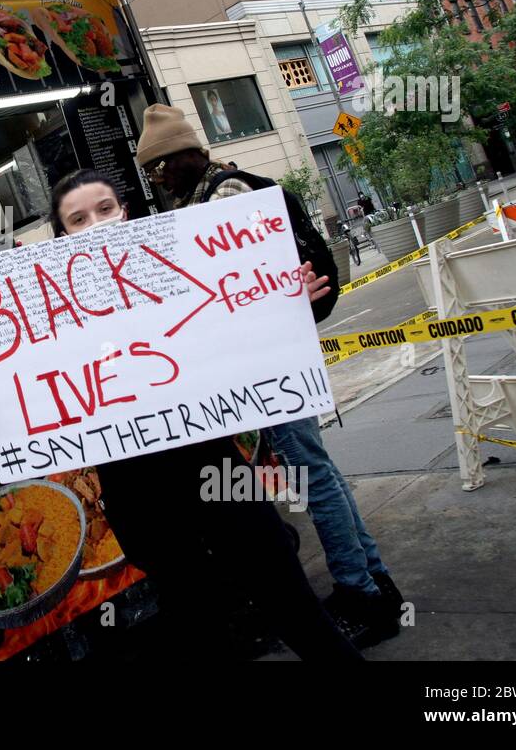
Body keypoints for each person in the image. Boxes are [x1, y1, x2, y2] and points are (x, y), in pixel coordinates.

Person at [0, 168, 359, 661]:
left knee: (292, 600)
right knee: (203, 625)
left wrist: (285, 308)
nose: (96, 224)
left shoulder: (180, 273)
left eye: (105, 209)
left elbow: (240, 333)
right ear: (62, 235)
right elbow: (39, 399)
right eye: (78, 219)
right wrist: (4, 408)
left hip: (217, 473)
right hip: (140, 499)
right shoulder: (50, 321)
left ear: (126, 213)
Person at [136, 103, 402, 647]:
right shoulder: (201, 197)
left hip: (271, 363)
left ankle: (363, 596)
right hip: (270, 360)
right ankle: (374, 582)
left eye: (161, 167)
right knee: (319, 473)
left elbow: (240, 289)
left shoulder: (223, 196)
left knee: (312, 476)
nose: (157, 179)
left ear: (187, 154)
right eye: (151, 173)